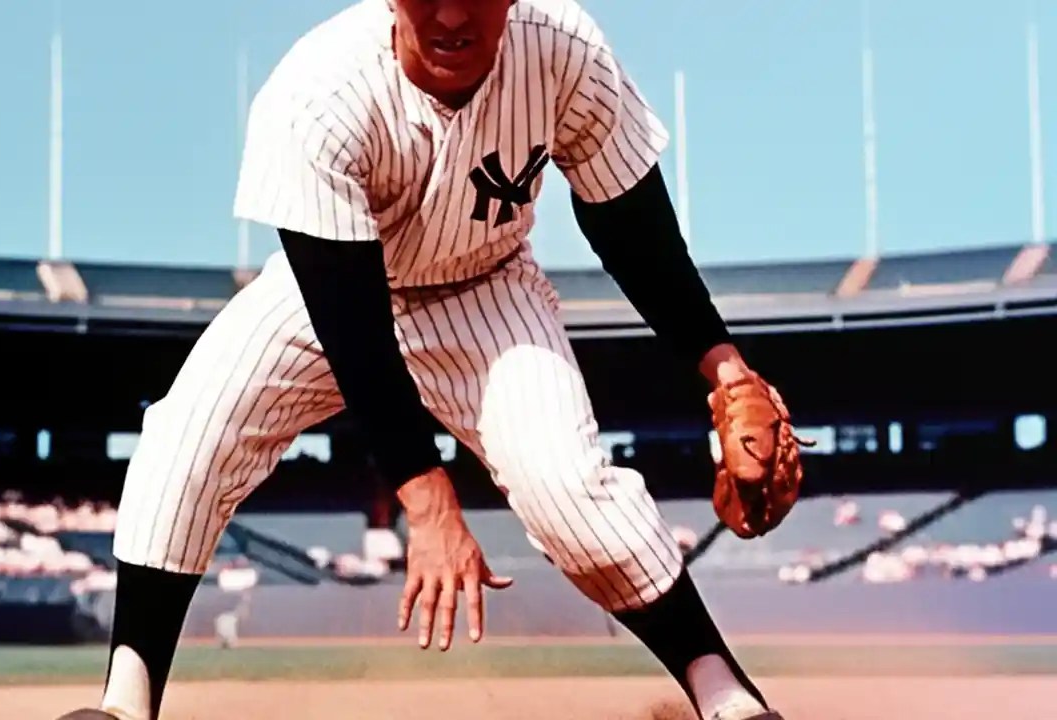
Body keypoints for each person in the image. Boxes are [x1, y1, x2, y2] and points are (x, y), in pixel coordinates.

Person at [59, 1, 803, 718]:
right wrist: (427, 499)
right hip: (334, 295)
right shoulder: (317, 94)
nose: (450, 15)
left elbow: (631, 224)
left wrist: (726, 368)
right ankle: (126, 700)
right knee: (190, 436)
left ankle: (724, 693)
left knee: (573, 493)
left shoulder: (563, 47)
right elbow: (355, 331)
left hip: (489, 287)